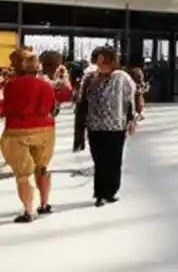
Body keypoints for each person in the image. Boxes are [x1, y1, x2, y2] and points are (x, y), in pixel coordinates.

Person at [2, 49, 74, 222]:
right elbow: (65, 95)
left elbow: (7, 108)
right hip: (45, 130)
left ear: (19, 65)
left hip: (17, 132)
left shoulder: (12, 84)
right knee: (42, 167)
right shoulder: (46, 83)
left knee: (23, 174)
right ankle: (44, 204)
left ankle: (28, 211)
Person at [73, 46, 137, 207]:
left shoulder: (122, 77)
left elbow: (130, 98)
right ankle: (100, 193)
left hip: (116, 125)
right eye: (99, 59)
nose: (101, 63)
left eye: (104, 60)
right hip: (95, 125)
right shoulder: (90, 77)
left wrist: (132, 119)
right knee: (100, 160)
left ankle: (111, 191)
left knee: (114, 160)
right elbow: (81, 100)